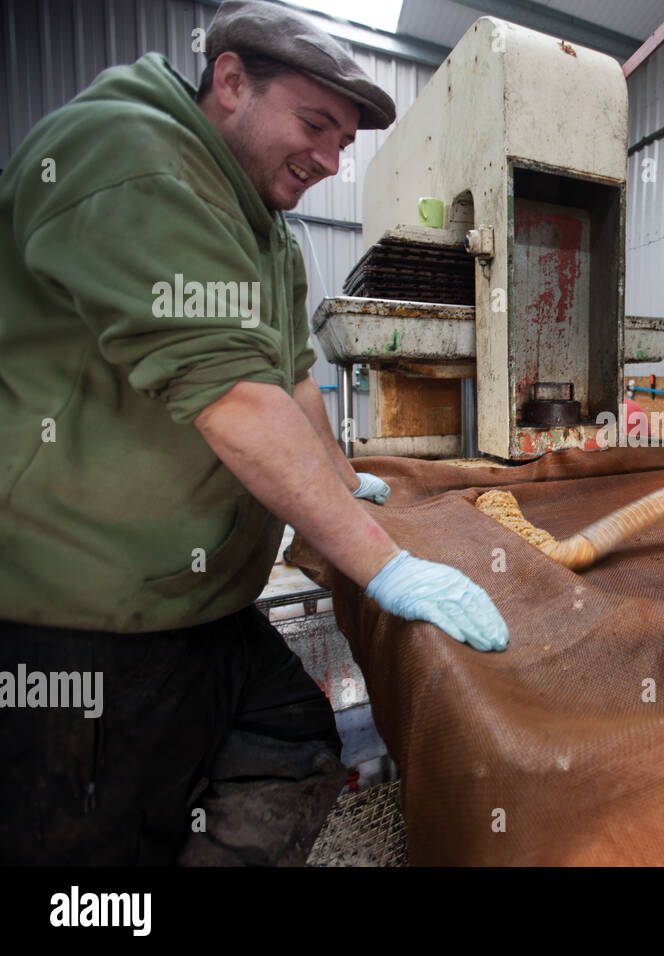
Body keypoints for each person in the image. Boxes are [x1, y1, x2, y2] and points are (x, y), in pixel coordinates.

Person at [0, 0, 505, 865]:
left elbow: (291, 377)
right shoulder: (133, 161)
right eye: (314, 125)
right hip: (87, 615)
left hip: (198, 601)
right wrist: (386, 563)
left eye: (344, 142)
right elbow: (234, 396)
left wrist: (341, 480)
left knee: (292, 742)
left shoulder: (268, 228)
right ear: (229, 80)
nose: (328, 158)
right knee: (96, 843)